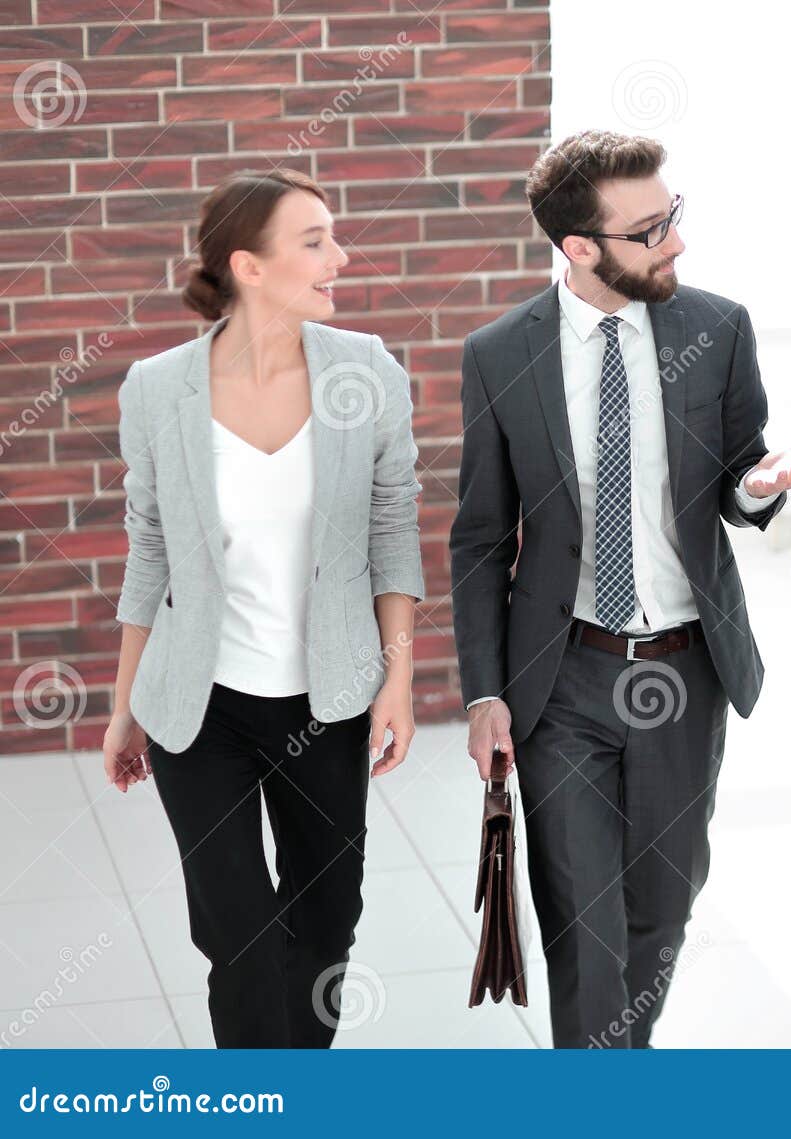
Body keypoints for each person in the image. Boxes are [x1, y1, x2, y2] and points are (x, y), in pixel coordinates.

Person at [449, 130, 791, 1048]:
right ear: (580, 248)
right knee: (585, 928)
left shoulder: (715, 327)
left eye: (674, 217)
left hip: (683, 670)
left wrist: (760, 488)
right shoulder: (502, 355)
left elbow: (738, 481)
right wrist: (485, 692)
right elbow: (481, 537)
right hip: (563, 676)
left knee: (661, 914)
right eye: (650, 229)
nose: (676, 243)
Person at [101, 170, 425, 1048]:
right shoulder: (157, 388)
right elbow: (151, 551)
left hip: (326, 702)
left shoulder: (365, 369)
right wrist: (125, 705)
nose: (339, 256)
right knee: (237, 937)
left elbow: (394, 530)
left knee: (325, 926)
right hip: (197, 708)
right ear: (247, 265)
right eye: (314, 239)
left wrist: (398, 682)